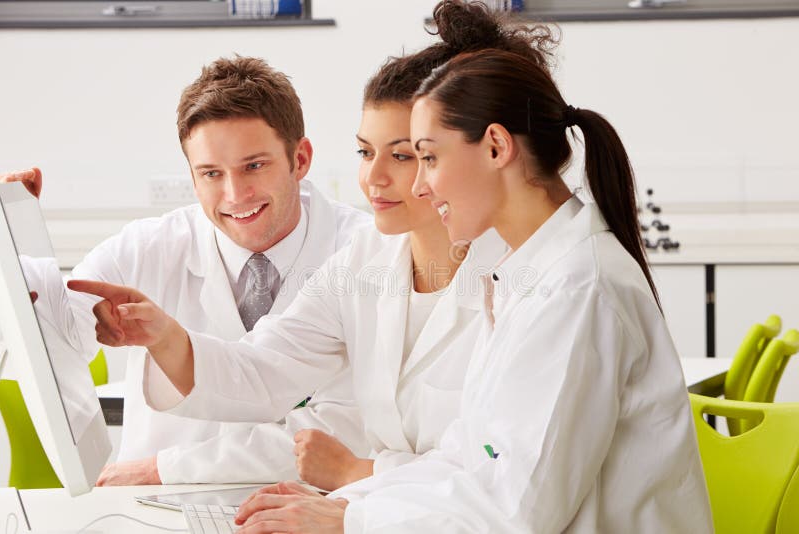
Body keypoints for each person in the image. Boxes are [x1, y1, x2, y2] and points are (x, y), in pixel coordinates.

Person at [68, 0, 542, 493]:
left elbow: (507, 486)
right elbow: (262, 371)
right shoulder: (364, 264)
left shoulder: (533, 283)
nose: (372, 178)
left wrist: (358, 482)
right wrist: (164, 336)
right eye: (364, 152)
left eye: (405, 155)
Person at [236, 46, 714, 532]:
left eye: (427, 157)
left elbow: (520, 511)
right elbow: (467, 458)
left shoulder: (578, 287)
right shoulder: (523, 272)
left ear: (495, 147)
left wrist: (349, 519)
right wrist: (351, 502)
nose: (420, 185)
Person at [0, 55, 373, 486]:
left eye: (254, 165)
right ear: (192, 177)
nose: (235, 194)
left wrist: (164, 469)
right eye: (211, 173)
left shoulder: (364, 254)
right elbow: (47, 339)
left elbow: (347, 429)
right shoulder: (146, 248)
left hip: (308, 510)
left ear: (300, 158)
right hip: (155, 513)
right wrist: (10, 253)